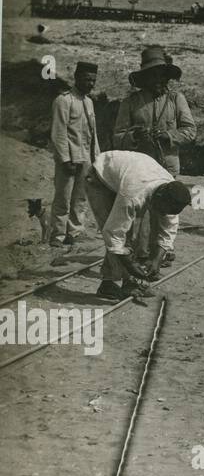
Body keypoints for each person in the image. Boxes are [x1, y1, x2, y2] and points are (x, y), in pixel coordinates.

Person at [83, 150, 191, 300]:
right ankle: (108, 284)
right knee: (119, 230)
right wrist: (130, 266)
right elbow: (113, 233)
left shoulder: (171, 193)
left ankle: (130, 284)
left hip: (129, 172)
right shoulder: (133, 194)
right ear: (158, 197)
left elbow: (169, 230)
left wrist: (157, 260)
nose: (165, 215)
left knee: (135, 230)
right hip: (100, 178)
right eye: (163, 211)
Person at [113, 45, 196, 176]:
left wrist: (168, 136)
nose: (159, 80)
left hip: (168, 170)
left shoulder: (176, 99)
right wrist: (134, 136)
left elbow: (190, 131)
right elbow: (117, 138)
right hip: (139, 169)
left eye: (162, 75)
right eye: (153, 76)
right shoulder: (130, 102)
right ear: (145, 78)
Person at [49, 61, 99, 247]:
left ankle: (75, 233)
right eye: (87, 79)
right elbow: (58, 132)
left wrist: (96, 158)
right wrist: (65, 159)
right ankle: (58, 236)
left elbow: (93, 134)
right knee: (63, 197)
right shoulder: (63, 100)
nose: (91, 84)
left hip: (85, 158)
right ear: (77, 78)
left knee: (80, 198)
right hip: (69, 159)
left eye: (93, 80)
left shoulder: (89, 102)